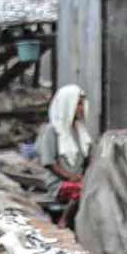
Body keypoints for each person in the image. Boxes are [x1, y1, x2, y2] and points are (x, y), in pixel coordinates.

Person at [33, 83, 91, 225]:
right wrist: (69, 176)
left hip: (78, 179)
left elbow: (88, 157)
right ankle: (64, 220)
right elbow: (49, 163)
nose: (81, 109)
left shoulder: (80, 131)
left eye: (82, 105)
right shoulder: (53, 131)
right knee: (81, 189)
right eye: (78, 105)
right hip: (59, 183)